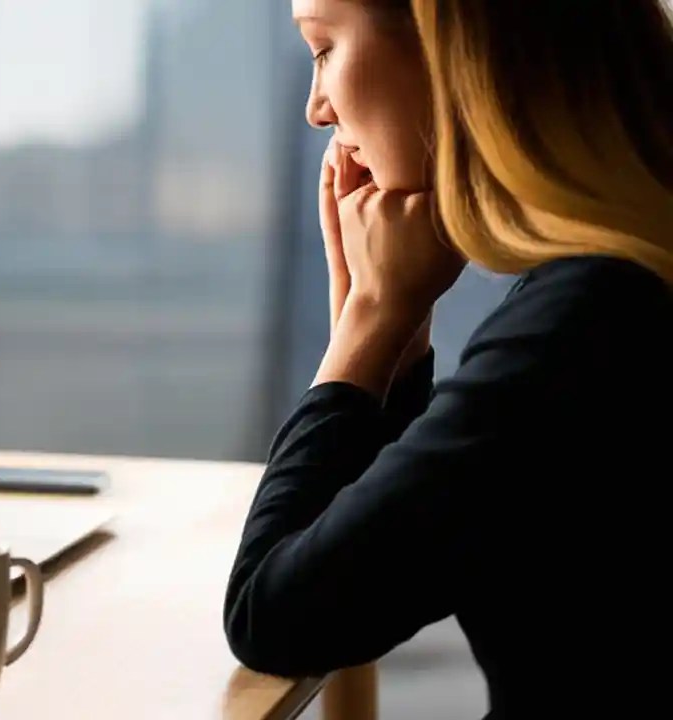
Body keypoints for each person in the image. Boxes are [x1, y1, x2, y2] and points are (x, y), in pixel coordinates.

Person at [222, 1, 672, 718]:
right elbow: (426, 518)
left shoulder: (585, 326)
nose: (316, 108)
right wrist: (389, 324)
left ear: (452, 53)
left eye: (324, 49)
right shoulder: (621, 282)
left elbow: (273, 616)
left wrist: (370, 320)